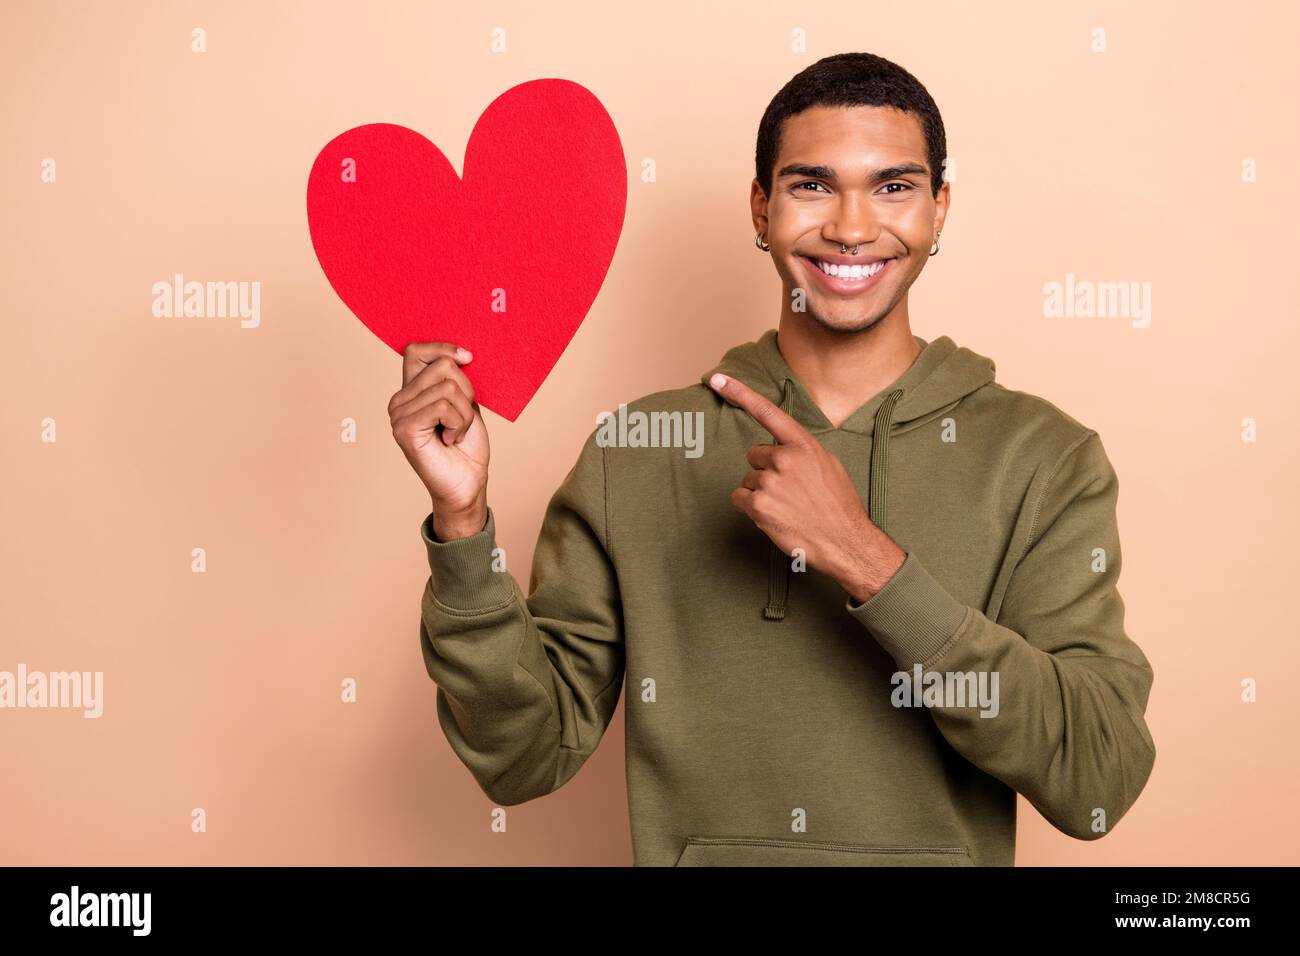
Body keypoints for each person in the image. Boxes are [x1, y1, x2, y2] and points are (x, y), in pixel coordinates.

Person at [388, 52, 1156, 866]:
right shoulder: (637, 453)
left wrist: (868, 562)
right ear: (760, 209)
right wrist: (462, 525)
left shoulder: (1044, 460)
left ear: (940, 209)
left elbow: (1097, 780)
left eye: (893, 186)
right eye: (811, 185)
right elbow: (523, 758)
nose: (853, 227)